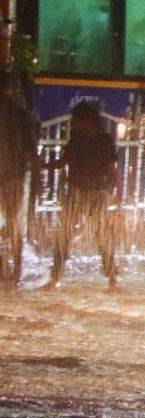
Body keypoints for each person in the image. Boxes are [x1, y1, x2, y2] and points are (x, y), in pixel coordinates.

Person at [44, 101, 122, 288]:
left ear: (86, 120)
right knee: (66, 235)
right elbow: (66, 160)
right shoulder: (79, 137)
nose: (74, 124)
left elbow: (111, 168)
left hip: (94, 193)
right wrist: (45, 166)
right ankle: (55, 277)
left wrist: (119, 191)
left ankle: (112, 277)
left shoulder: (103, 139)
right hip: (79, 191)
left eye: (77, 120)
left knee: (100, 236)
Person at [0, 69, 39, 290]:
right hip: (13, 177)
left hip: (12, 176)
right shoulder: (20, 114)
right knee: (14, 223)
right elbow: (31, 151)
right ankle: (15, 270)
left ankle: (14, 269)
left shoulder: (18, 115)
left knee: (13, 223)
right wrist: (37, 178)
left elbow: (30, 151)